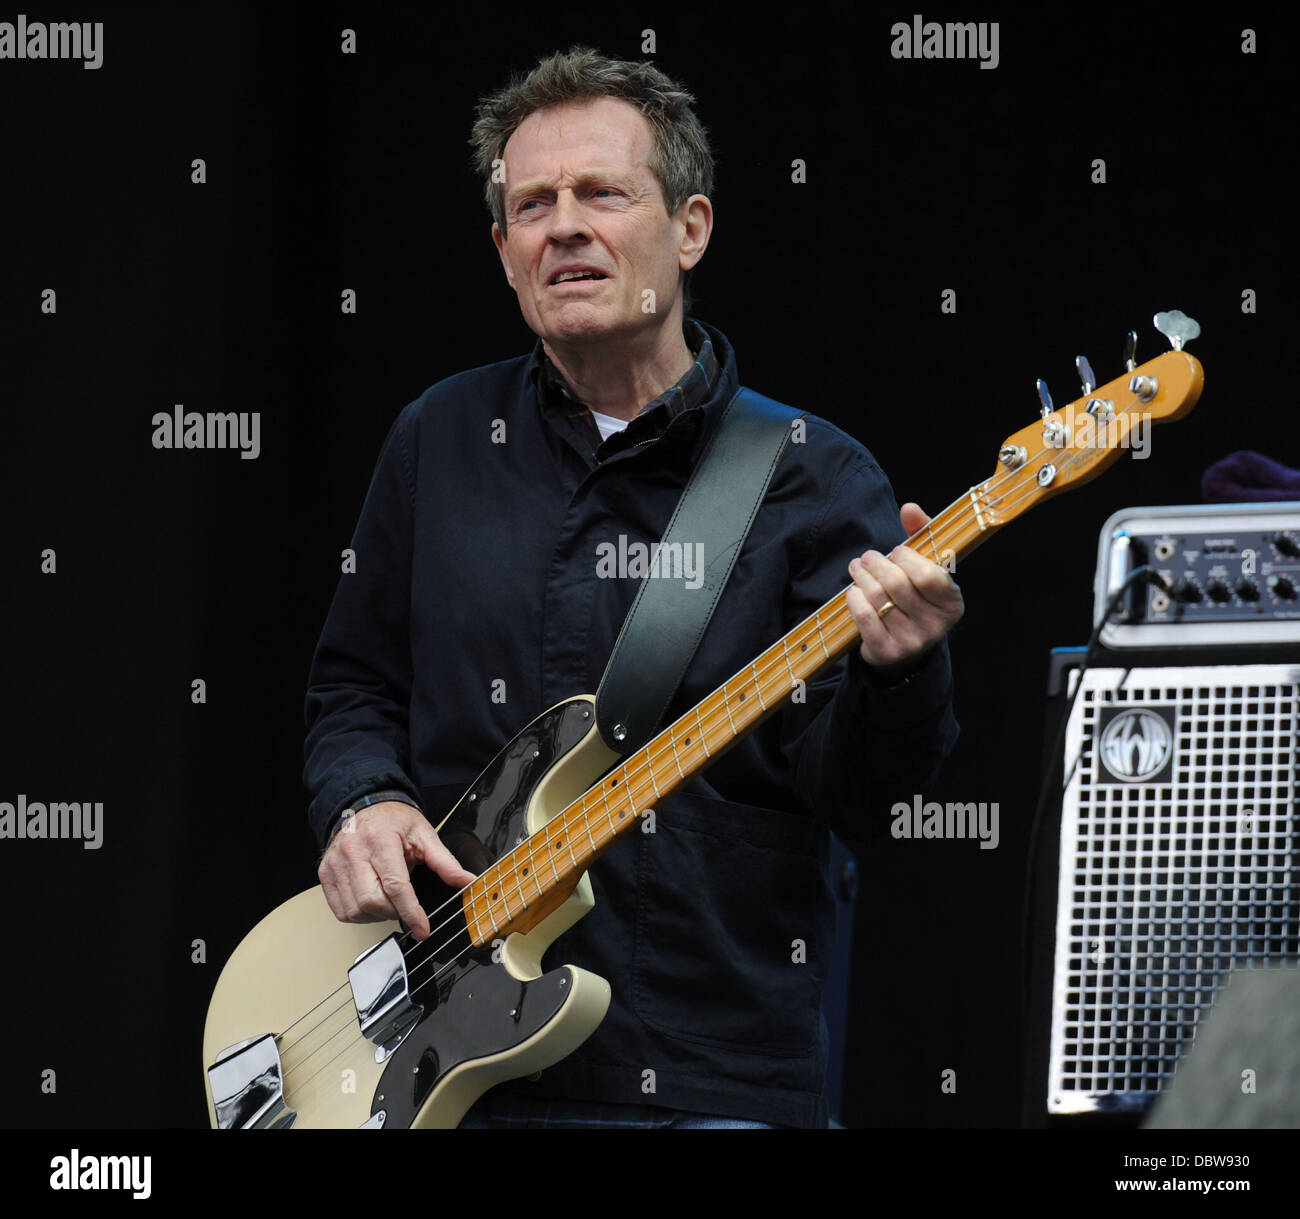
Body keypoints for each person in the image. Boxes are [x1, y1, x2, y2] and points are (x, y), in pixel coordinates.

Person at [303, 46, 963, 1129]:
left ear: (689, 228)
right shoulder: (438, 440)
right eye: (531, 205)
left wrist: (903, 671)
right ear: (505, 252)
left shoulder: (811, 474)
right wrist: (361, 800)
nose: (563, 225)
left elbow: (863, 795)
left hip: (706, 1077)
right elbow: (352, 689)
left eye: (601, 193)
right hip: (432, 1064)